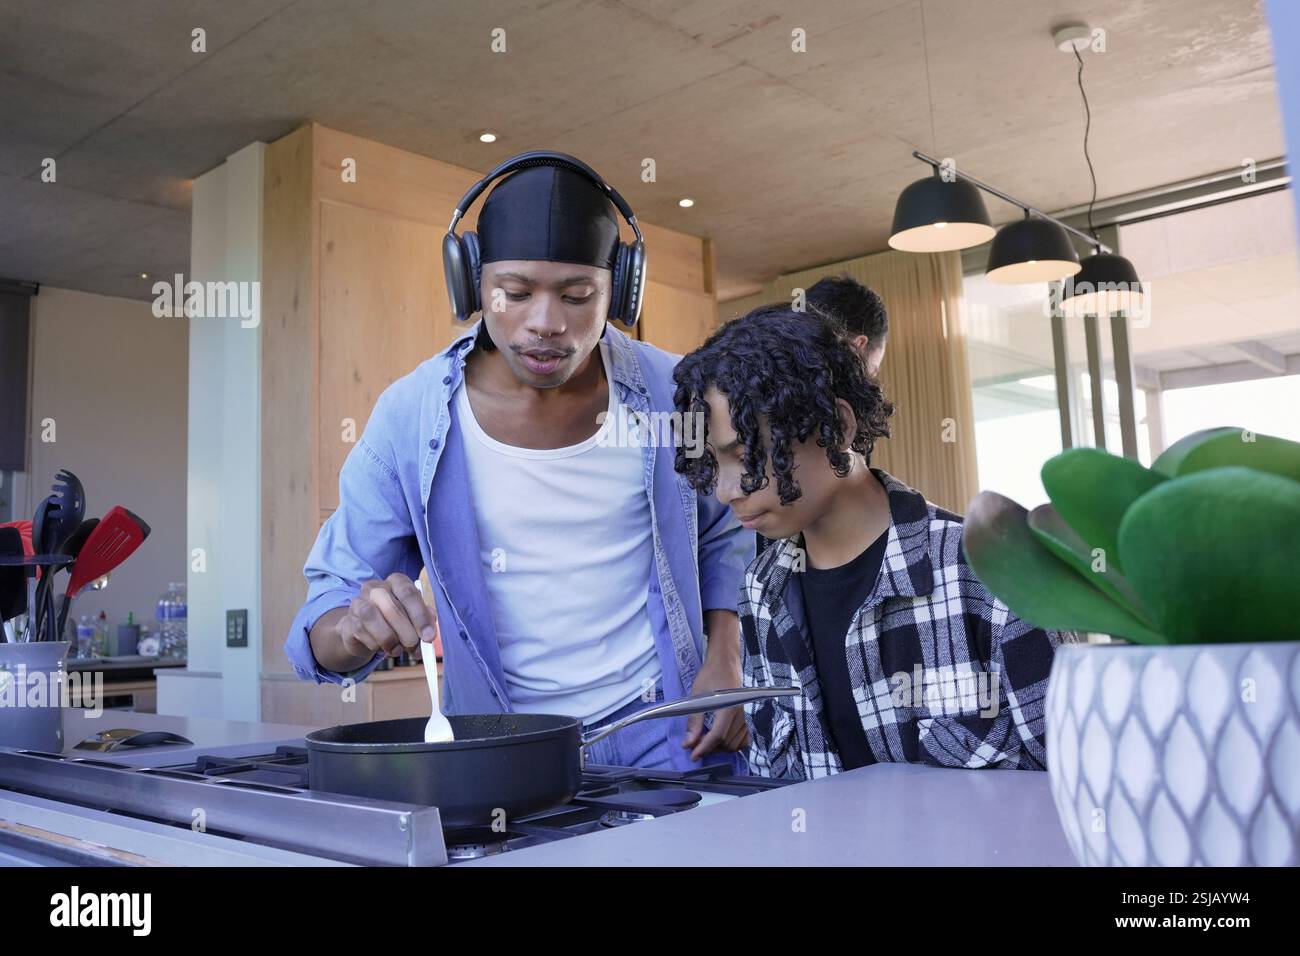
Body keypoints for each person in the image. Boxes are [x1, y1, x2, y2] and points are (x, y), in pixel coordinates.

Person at [285, 152, 752, 771]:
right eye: (515, 293)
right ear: (471, 283)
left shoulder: (674, 391)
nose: (547, 323)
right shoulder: (409, 417)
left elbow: (728, 531)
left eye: (578, 295)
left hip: (671, 734)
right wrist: (354, 627)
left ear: (621, 288)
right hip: (504, 754)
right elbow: (328, 611)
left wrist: (726, 657)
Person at [671, 303, 1072, 779]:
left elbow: (1080, 783)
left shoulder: (992, 573)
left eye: (748, 456)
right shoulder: (761, 591)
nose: (725, 490)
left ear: (836, 428)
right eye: (717, 465)